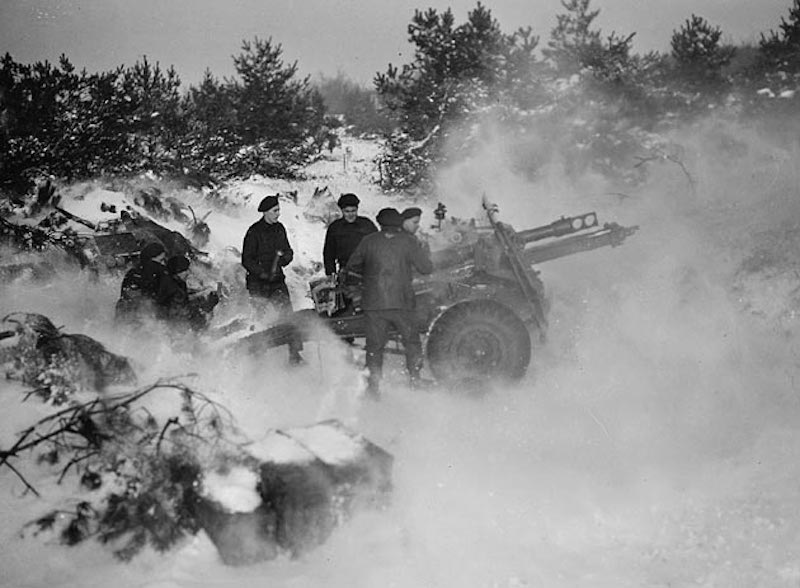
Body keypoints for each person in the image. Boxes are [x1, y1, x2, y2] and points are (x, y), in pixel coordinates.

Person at [344, 207, 434, 398]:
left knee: (374, 346)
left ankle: (373, 387)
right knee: (411, 342)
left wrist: (365, 281)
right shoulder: (409, 241)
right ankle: (415, 379)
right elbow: (426, 268)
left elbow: (351, 267)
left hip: (374, 304)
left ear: (380, 223)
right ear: (398, 223)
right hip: (402, 303)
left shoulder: (369, 241)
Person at [241, 195, 304, 364]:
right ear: (265, 212)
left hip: (277, 281)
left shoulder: (279, 229)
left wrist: (284, 259)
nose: (278, 214)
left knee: (288, 317)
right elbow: (246, 259)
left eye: (279, 210)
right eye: (275, 211)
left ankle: (294, 355)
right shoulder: (254, 231)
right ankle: (257, 356)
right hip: (258, 283)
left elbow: (288, 251)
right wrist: (261, 273)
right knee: (260, 319)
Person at [156, 255, 220, 332]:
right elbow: (181, 306)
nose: (188, 273)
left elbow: (184, 296)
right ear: (178, 272)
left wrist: (201, 292)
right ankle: (201, 333)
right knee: (203, 307)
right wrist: (205, 302)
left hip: (176, 314)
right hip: (174, 322)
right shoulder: (171, 287)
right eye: (185, 270)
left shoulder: (175, 280)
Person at [322, 193, 377, 276]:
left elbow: (378, 246)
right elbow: (329, 254)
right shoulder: (335, 227)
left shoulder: (367, 224)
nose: (350, 215)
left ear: (357, 210)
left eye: (353, 211)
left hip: (368, 270)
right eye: (347, 211)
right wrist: (331, 273)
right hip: (345, 270)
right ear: (342, 211)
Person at [115, 241, 168, 325]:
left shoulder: (132, 272)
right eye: (161, 260)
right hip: (144, 316)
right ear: (151, 259)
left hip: (126, 315)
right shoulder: (159, 272)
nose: (163, 263)